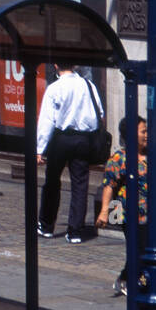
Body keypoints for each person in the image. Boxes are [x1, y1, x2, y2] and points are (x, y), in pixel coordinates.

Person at [36, 62, 103, 243]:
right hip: (83, 139)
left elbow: (47, 120)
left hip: (61, 138)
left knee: (52, 181)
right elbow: (100, 113)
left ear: (56, 65)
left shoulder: (54, 88)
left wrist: (39, 148)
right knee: (80, 185)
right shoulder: (88, 85)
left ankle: (47, 225)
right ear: (74, 65)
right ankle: (74, 231)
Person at [96, 116, 148, 295]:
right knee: (137, 248)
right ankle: (125, 280)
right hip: (127, 211)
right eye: (143, 131)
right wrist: (104, 212)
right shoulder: (119, 158)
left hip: (149, 211)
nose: (147, 135)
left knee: (144, 248)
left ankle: (131, 279)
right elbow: (108, 186)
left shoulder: (150, 156)